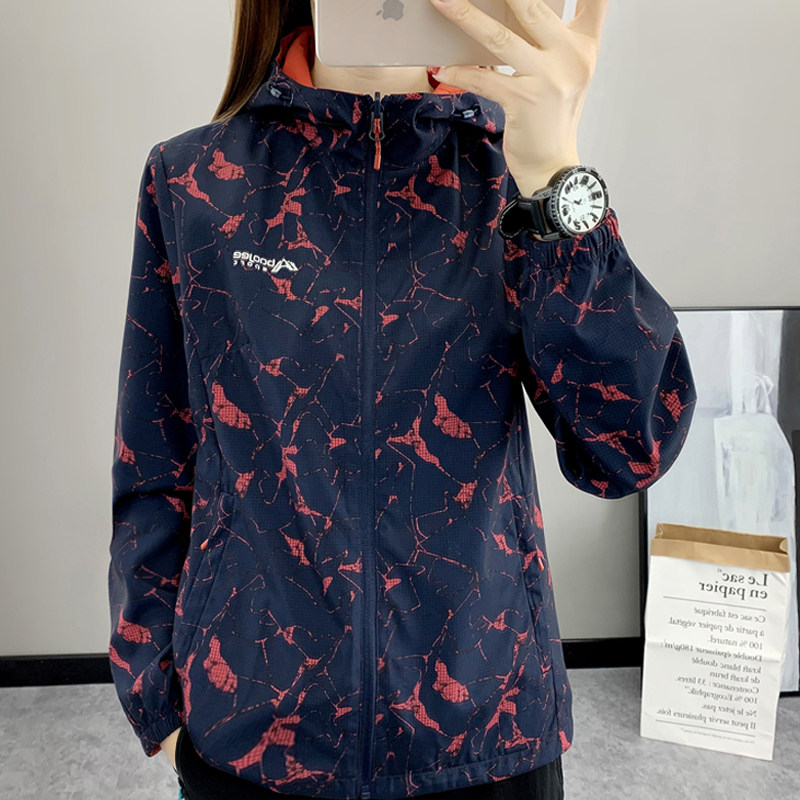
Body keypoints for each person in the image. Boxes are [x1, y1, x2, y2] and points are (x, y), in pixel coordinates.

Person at [107, 1, 696, 799]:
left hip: (487, 735)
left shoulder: (512, 176)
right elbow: (153, 457)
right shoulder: (195, 180)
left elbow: (630, 449)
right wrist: (159, 699)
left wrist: (558, 181)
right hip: (254, 737)